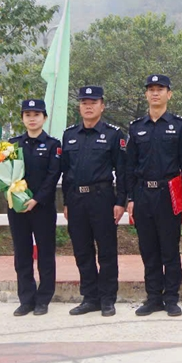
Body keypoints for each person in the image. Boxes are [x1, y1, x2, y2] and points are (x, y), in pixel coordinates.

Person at [0, 99, 61, 316]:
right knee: (22, 253)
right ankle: (26, 299)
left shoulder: (53, 145)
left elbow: (52, 176)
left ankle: (43, 299)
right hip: (16, 208)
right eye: (27, 114)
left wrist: (36, 199)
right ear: (22, 118)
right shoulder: (12, 145)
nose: (32, 118)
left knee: (46, 253)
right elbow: (2, 175)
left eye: (36, 114)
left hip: (42, 207)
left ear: (44, 118)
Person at [126, 74, 182, 317]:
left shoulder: (179, 125)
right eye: (151, 89)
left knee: (170, 248)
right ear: (146, 94)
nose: (155, 93)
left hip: (169, 193)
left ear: (169, 94)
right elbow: (129, 167)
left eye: (160, 89)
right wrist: (130, 198)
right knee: (148, 249)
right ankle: (153, 297)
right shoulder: (136, 128)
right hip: (143, 193)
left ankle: (172, 298)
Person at [60, 86, 126, 317]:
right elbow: (65, 172)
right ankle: (90, 298)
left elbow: (123, 171)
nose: (88, 106)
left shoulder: (113, 134)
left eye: (93, 102)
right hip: (76, 200)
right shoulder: (69, 135)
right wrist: (66, 201)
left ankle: (108, 298)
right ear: (79, 106)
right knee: (82, 250)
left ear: (102, 105)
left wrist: (120, 202)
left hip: (102, 198)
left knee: (107, 251)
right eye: (84, 102)